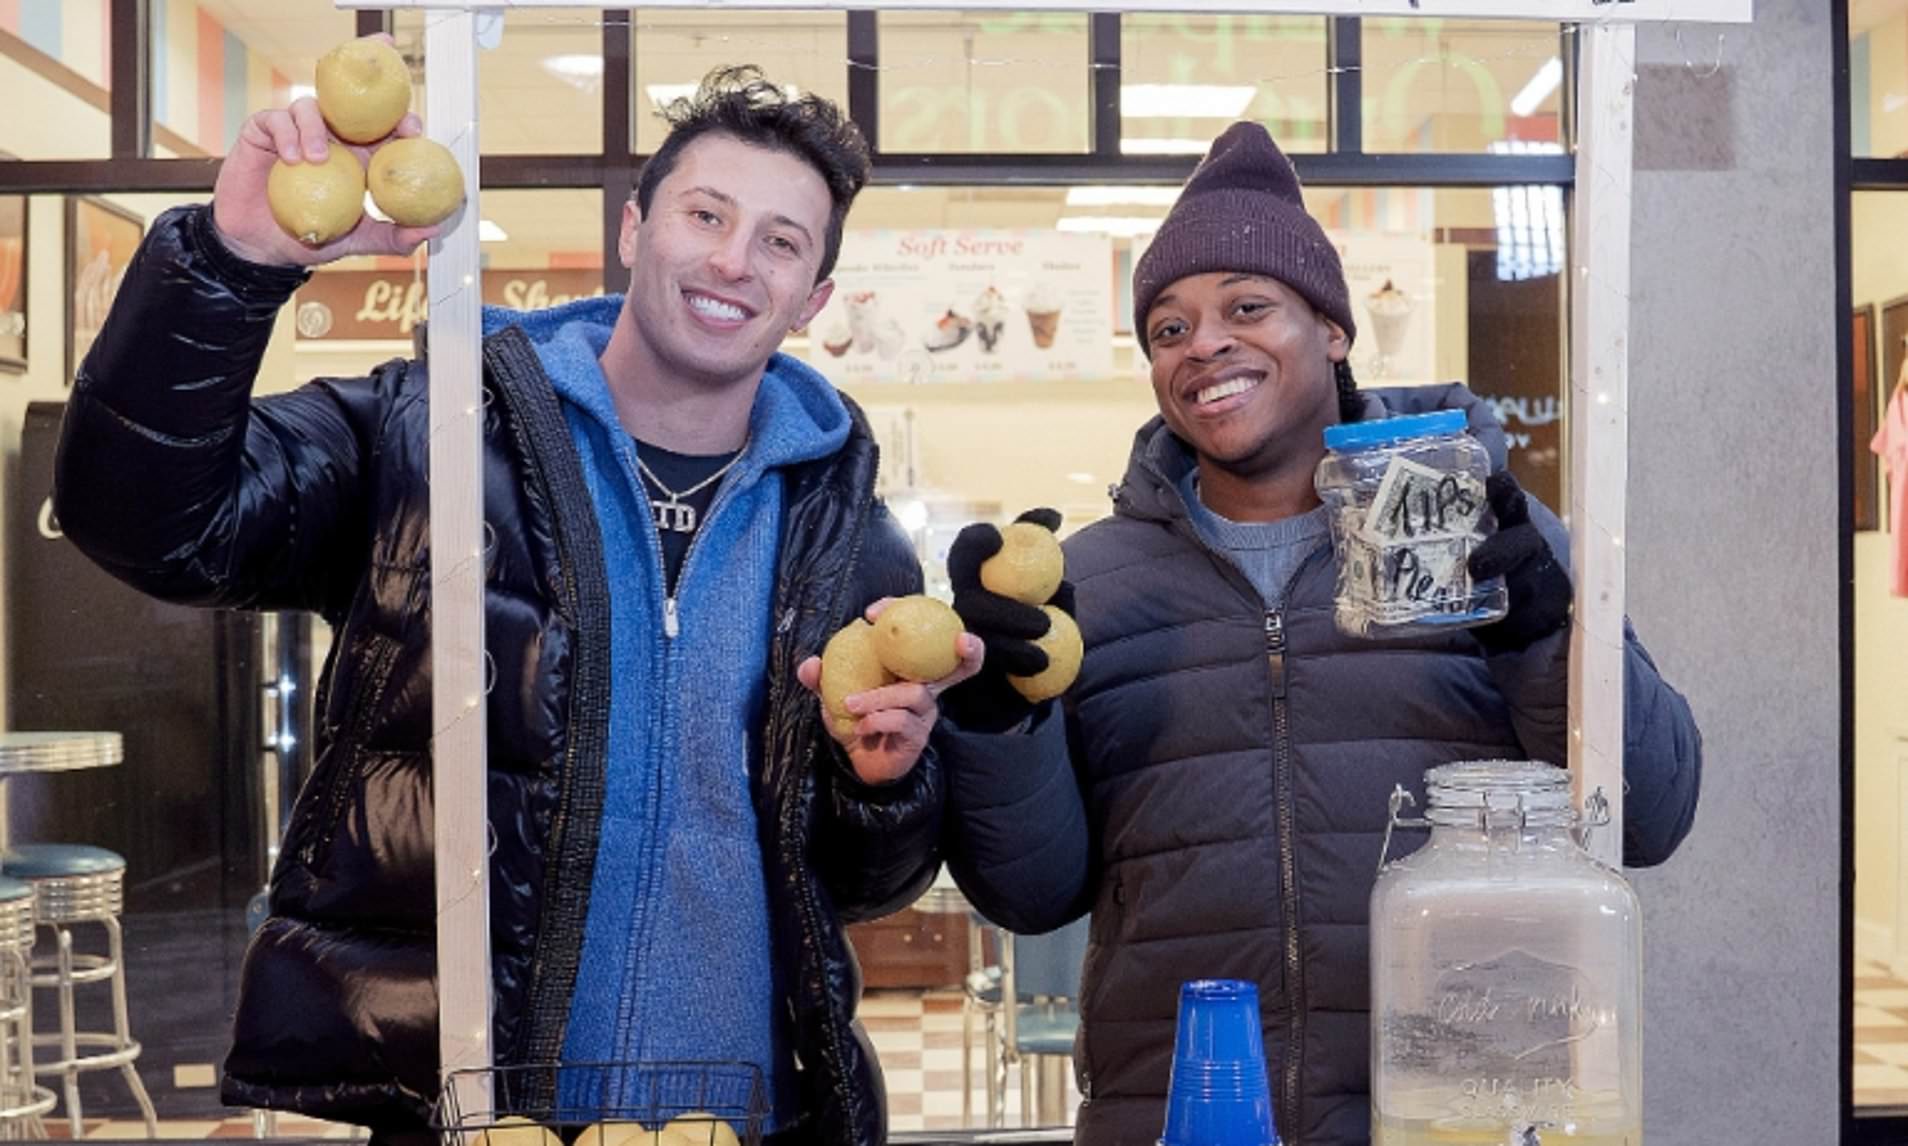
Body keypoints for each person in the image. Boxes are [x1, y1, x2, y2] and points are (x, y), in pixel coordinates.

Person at [52, 58, 978, 1146]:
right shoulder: (431, 439)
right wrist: (231, 263)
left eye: (782, 241)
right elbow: (146, 523)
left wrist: (883, 784)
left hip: (743, 1114)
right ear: (633, 229)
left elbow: (862, 886)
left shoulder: (851, 543)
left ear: (813, 298)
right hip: (480, 1111)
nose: (734, 259)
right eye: (706, 214)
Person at [933, 121, 1702, 1146]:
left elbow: (1651, 818)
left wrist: (1544, 639)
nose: (1203, 343)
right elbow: (1035, 895)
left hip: (1452, 1119)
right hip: (1179, 1116)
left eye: (1247, 307)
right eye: (1167, 327)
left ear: (1334, 330)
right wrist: (999, 723)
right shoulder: (1093, 586)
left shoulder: (1480, 541)